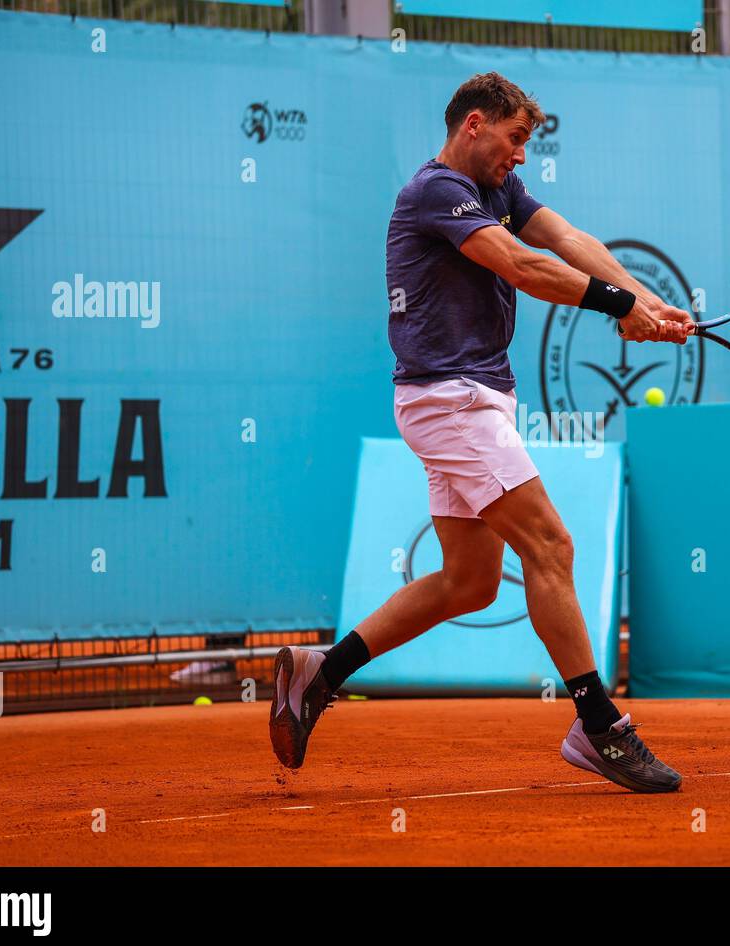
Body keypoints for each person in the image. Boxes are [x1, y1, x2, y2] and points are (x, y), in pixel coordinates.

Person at [270, 71, 694, 794]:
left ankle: (320, 673)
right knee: (551, 545)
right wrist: (621, 304)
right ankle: (599, 727)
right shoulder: (436, 192)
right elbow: (526, 267)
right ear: (474, 124)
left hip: (474, 398)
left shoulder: (498, 193)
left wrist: (644, 300)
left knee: (468, 582)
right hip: (450, 400)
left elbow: (565, 238)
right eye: (516, 138)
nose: (522, 156)